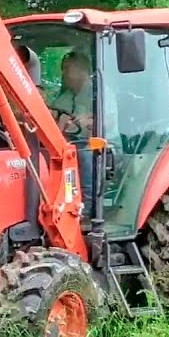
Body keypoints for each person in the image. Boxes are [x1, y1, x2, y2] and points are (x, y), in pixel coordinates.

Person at [50, 50, 96, 214]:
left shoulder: (98, 94)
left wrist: (88, 121)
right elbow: (54, 117)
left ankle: (88, 208)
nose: (64, 73)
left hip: (100, 147)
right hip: (69, 145)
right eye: (63, 68)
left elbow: (108, 122)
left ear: (82, 70)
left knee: (82, 153)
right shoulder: (64, 97)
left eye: (68, 68)